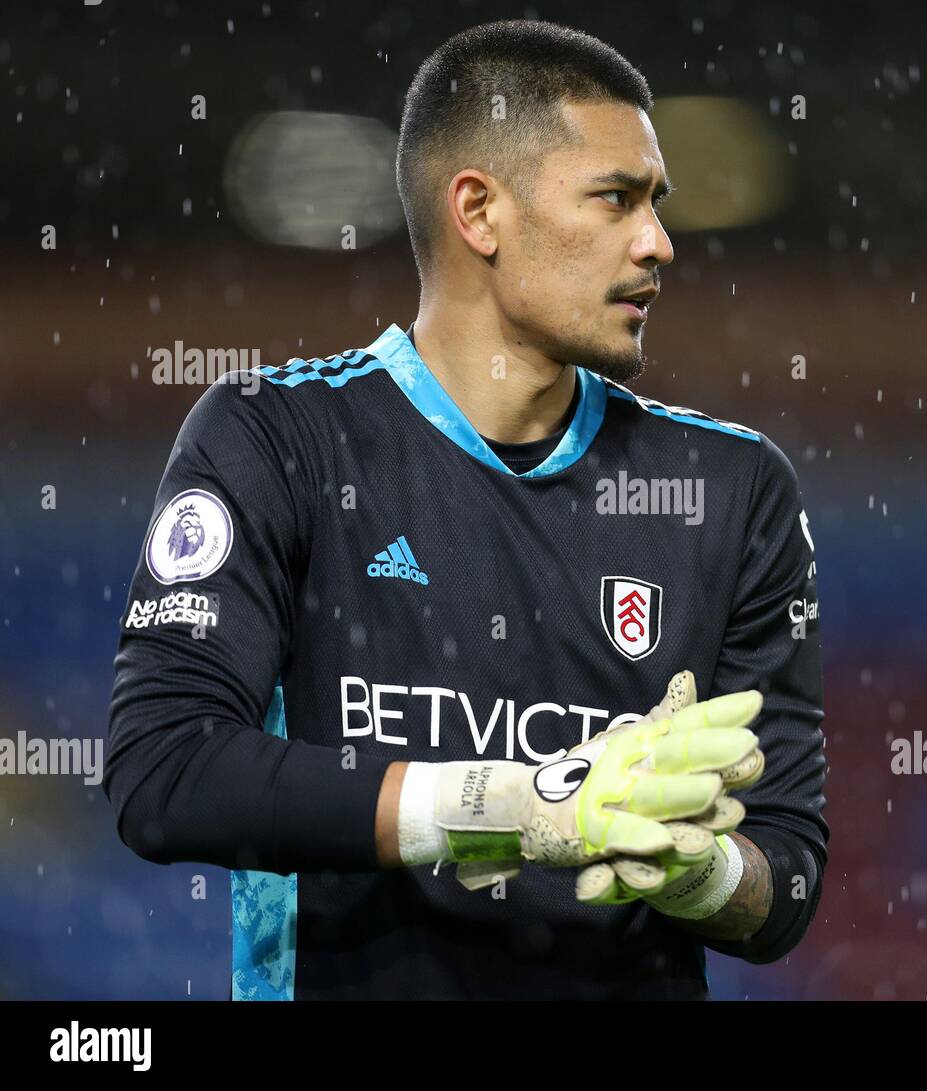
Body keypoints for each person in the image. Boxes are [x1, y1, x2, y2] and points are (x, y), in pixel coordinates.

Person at [105, 18, 827, 1000]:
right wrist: (512, 804)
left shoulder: (732, 489)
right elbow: (164, 772)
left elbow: (785, 876)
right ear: (479, 213)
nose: (657, 242)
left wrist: (706, 872)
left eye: (656, 204)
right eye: (615, 198)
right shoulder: (277, 440)